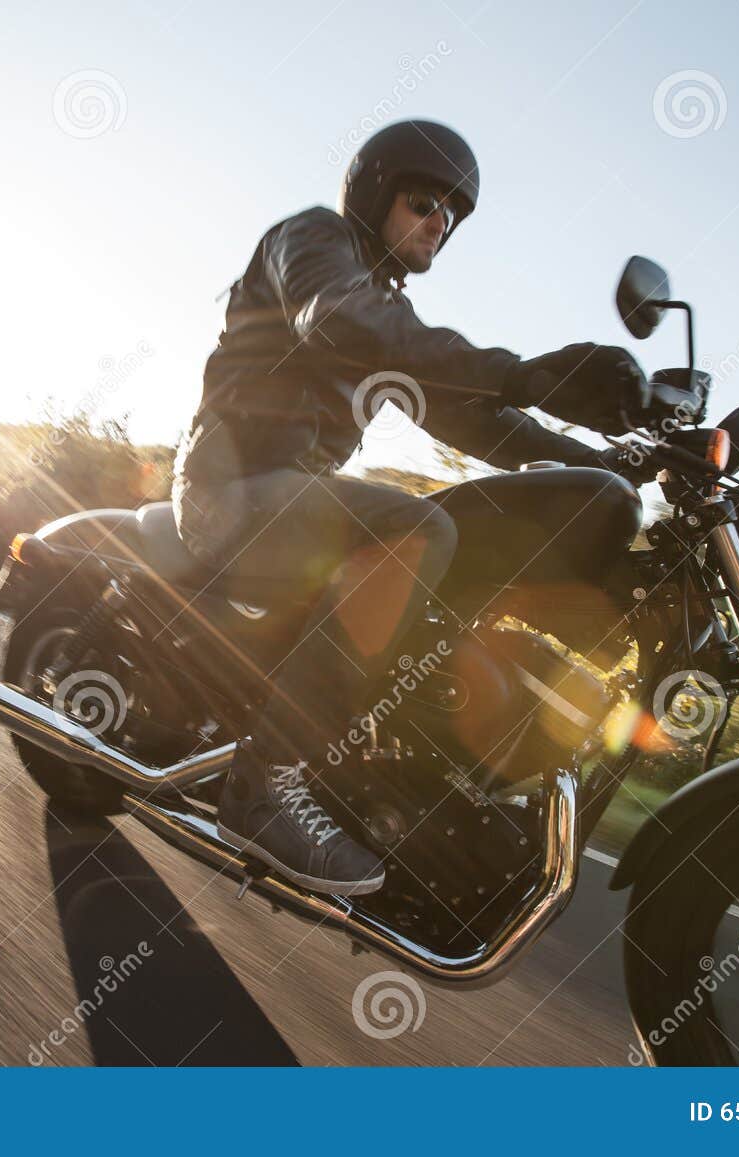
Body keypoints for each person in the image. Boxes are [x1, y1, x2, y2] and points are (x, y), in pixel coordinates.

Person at [171, 119, 648, 896]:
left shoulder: (384, 317)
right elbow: (339, 318)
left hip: (296, 503)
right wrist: (525, 372)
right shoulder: (316, 243)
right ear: (374, 191)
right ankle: (264, 784)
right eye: (424, 202)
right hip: (230, 490)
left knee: (454, 546)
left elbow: (475, 417)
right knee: (419, 525)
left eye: (450, 218)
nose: (438, 225)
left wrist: (611, 458)